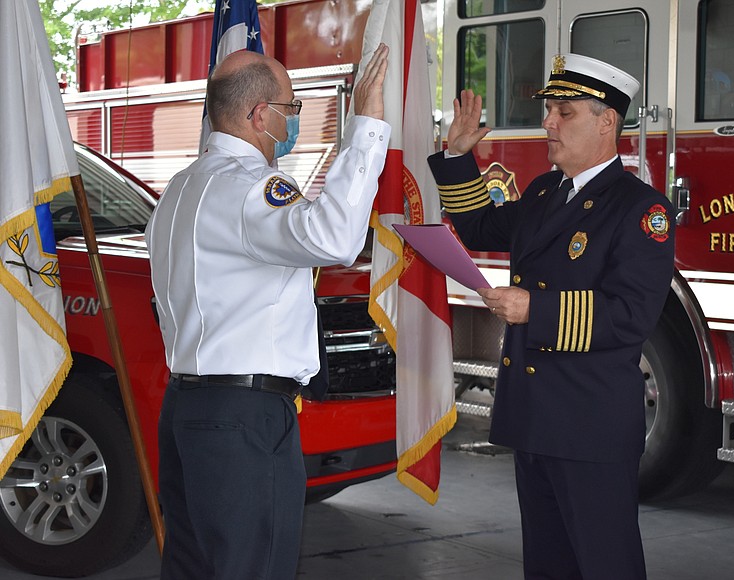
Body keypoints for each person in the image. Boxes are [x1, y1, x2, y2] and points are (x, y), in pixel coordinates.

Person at [145, 45, 390, 580]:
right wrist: (366, 128)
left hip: (185, 406)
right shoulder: (251, 187)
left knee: (193, 566)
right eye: (292, 108)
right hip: (244, 418)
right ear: (262, 116)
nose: (295, 120)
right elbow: (334, 238)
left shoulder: (179, 189)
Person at [427, 53, 675, 579]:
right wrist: (457, 156)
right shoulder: (545, 192)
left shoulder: (641, 209)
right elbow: (479, 229)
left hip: (589, 427)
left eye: (564, 111)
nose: (548, 123)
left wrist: (534, 309)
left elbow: (630, 315)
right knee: (548, 566)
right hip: (537, 419)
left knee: (605, 564)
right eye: (549, 111)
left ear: (607, 121)